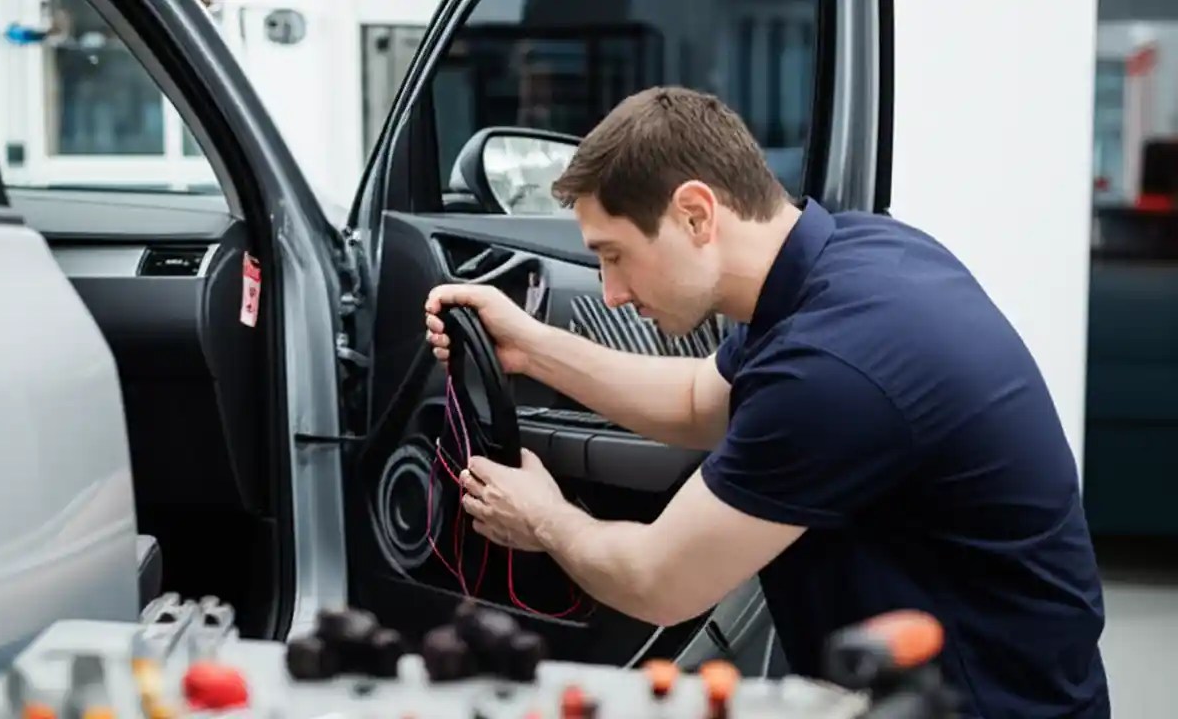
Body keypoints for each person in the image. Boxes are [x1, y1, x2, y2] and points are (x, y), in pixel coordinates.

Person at [423, 86, 1109, 718]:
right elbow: (699, 400)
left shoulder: (832, 368)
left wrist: (545, 519)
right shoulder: (861, 253)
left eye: (615, 255)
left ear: (696, 214)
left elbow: (660, 579)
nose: (611, 293)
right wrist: (530, 347)